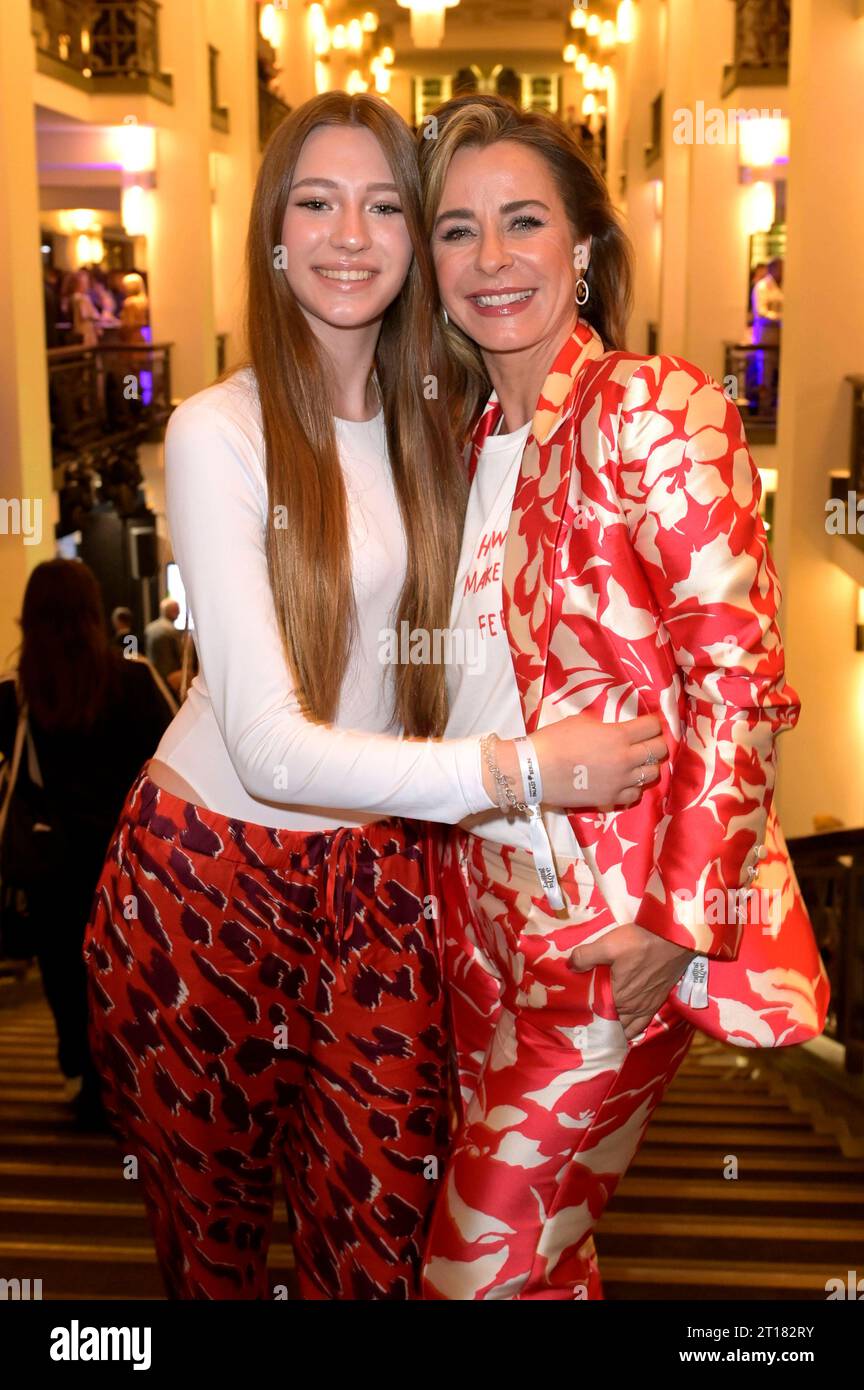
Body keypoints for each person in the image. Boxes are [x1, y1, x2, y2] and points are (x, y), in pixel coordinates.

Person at [83, 91, 661, 1302]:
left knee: (389, 1249)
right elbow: (271, 750)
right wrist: (525, 771)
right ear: (275, 236)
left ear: (414, 238)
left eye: (386, 204)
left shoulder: (441, 420)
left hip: (382, 881)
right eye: (317, 202)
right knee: (220, 1262)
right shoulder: (215, 431)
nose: (351, 234)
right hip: (206, 882)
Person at [417, 95, 803, 1300]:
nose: (490, 259)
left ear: (581, 246)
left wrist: (683, 914)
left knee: (472, 1269)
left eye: (522, 222)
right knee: (546, 1257)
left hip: (615, 930)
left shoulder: (650, 405)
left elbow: (740, 674)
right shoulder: (463, 438)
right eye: (456, 230)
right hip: (477, 921)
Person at [0, 561, 173, 1126]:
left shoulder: (18, 696)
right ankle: (135, 1078)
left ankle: (85, 1078)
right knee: (130, 972)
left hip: (53, 867)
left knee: (63, 970)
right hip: (127, 865)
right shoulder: (133, 679)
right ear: (93, 613)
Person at [143, 597, 182, 685]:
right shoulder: (172, 630)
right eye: (177, 610)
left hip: (153, 675)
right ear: (171, 611)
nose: (179, 613)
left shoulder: (149, 627)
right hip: (171, 678)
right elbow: (180, 655)